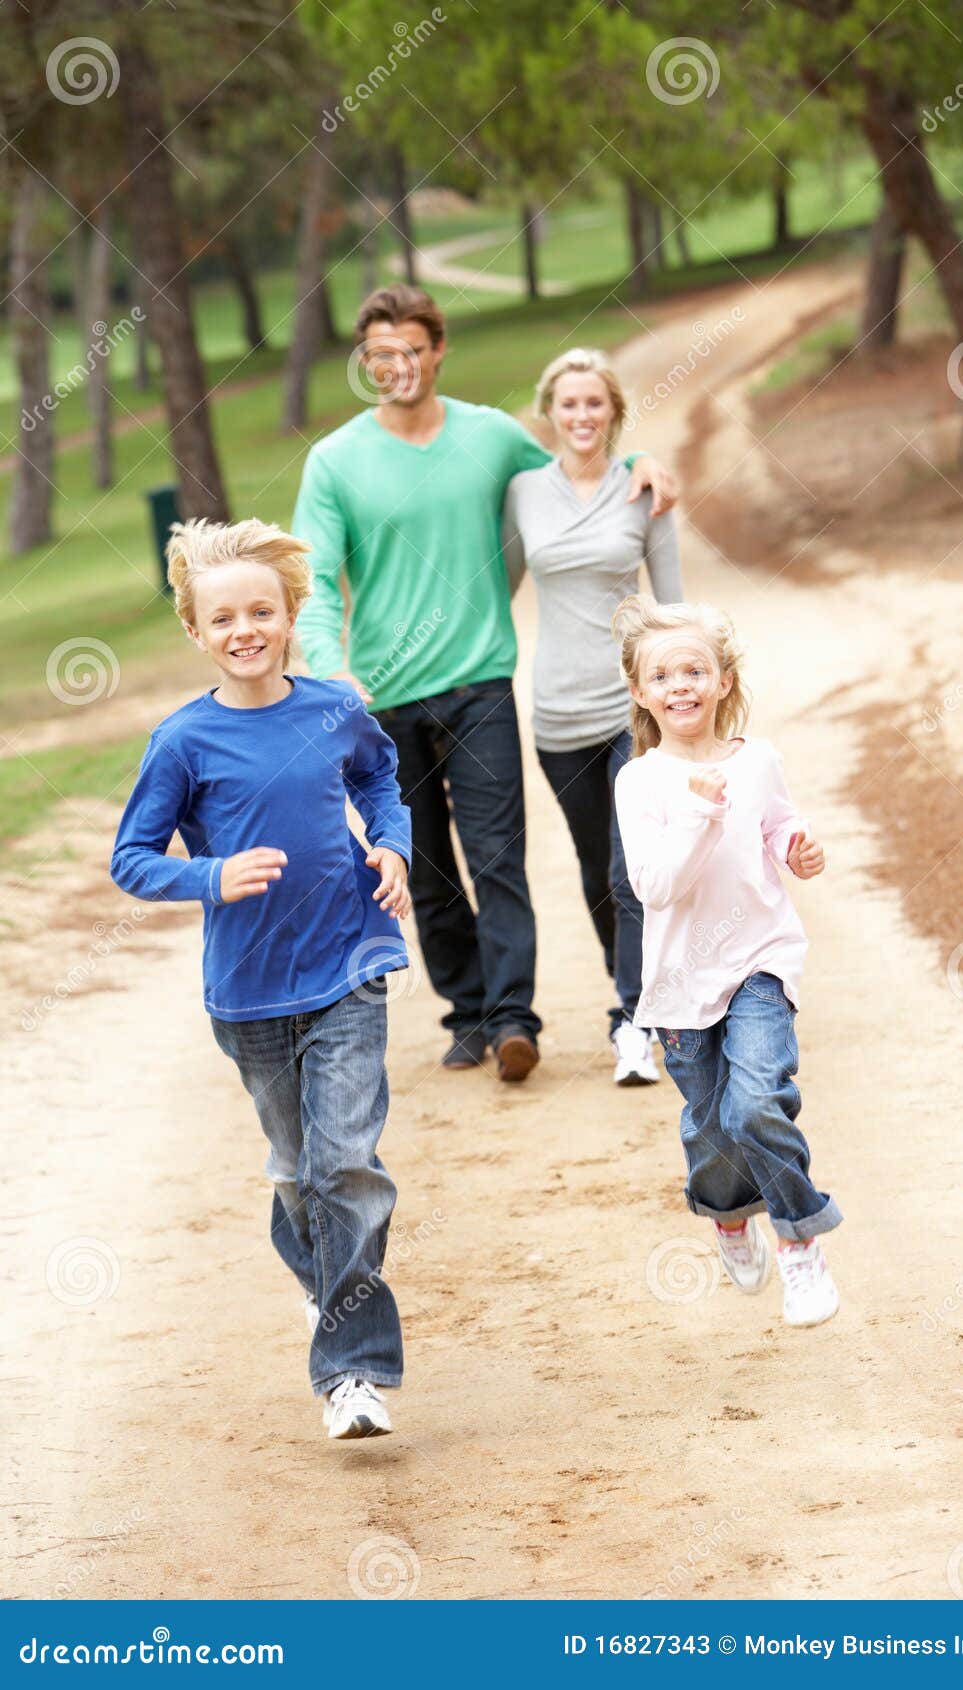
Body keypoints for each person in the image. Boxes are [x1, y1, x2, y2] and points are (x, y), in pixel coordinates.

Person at [291, 283, 676, 1082]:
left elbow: (579, 476)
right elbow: (315, 579)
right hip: (381, 699)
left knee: (497, 859)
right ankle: (467, 1011)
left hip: (482, 686)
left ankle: (512, 1021)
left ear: (437, 352)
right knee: (421, 865)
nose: (395, 366)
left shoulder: (492, 437)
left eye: (410, 350)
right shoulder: (334, 461)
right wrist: (330, 666)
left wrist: (640, 462)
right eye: (378, 354)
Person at [110, 517, 413, 1440]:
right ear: (196, 633)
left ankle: (351, 1373)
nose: (246, 629)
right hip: (247, 993)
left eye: (262, 612)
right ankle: (331, 1288)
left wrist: (393, 846)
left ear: (290, 616)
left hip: (350, 968)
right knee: (295, 1176)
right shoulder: (182, 741)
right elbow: (131, 859)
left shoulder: (331, 709)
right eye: (224, 618)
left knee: (348, 1165)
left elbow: (381, 776)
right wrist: (210, 875)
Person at [612, 594, 842, 1327]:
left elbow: (775, 823)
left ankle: (799, 1242)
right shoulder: (640, 781)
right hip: (680, 979)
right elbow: (654, 885)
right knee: (711, 1129)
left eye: (694, 670)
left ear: (722, 682)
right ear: (641, 693)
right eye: (663, 675)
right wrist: (696, 814)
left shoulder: (758, 759)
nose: (680, 685)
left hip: (759, 957)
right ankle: (729, 1215)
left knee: (755, 1102)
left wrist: (795, 848)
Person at [503, 349, 683, 1086]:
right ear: (551, 413)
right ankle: (637, 992)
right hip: (555, 711)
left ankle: (633, 1021)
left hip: (628, 711)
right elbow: (498, 581)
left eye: (595, 404)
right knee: (593, 870)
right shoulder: (521, 491)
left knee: (628, 868)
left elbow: (671, 608)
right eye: (568, 405)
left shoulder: (643, 491)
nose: (581, 417)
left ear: (613, 413)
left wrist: (682, 701)